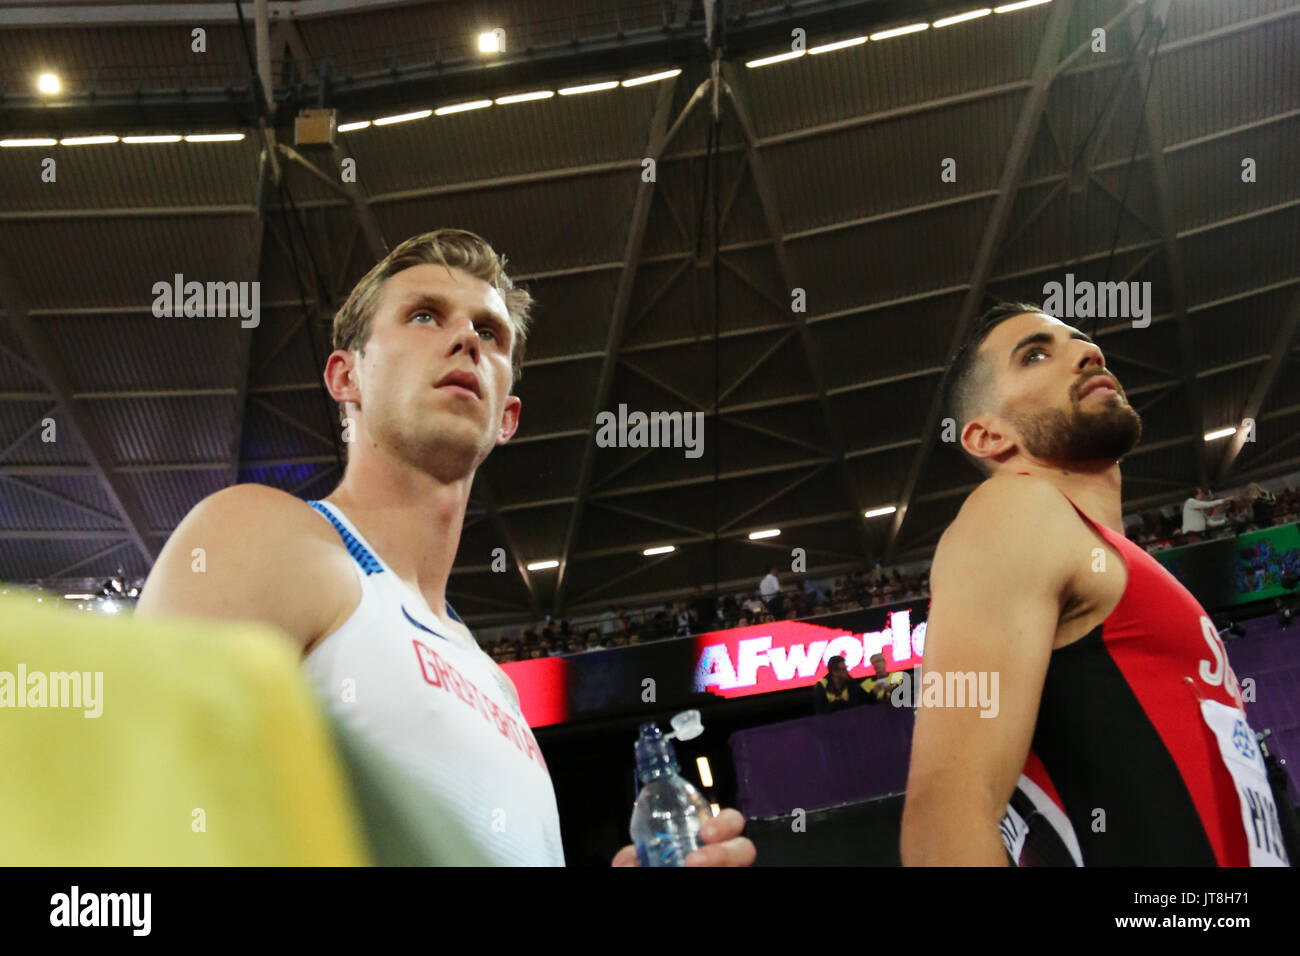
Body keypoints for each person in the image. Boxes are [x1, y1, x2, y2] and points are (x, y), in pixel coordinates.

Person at [137, 229, 754, 869]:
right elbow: (140, 821)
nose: (465, 340)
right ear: (347, 375)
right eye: (425, 316)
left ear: (506, 417)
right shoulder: (264, 536)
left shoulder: (495, 683)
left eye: (490, 334)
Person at [900, 302, 1289, 867]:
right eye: (1035, 355)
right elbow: (943, 824)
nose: (1089, 353)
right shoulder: (1013, 511)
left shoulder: (1109, 555)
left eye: (1082, 340)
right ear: (987, 436)